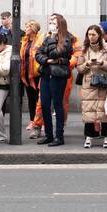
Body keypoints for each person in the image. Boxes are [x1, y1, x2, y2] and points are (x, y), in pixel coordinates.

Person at [36, 14, 76, 146]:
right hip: (46, 74)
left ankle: (59, 136)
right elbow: (38, 54)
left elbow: (56, 52)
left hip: (58, 75)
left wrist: (53, 39)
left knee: (57, 105)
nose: (51, 24)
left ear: (60, 24)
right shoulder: (48, 38)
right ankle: (49, 135)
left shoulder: (67, 38)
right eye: (50, 22)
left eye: (53, 22)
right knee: (45, 105)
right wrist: (47, 60)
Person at [77, 25, 107, 149]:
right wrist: (87, 64)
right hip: (88, 83)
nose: (91, 37)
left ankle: (106, 136)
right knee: (89, 111)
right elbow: (79, 68)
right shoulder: (84, 49)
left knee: (104, 111)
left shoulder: (106, 48)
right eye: (89, 34)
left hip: (103, 83)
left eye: (93, 34)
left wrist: (102, 63)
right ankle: (89, 136)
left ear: (99, 35)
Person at [20, 20, 42, 137]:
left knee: (39, 100)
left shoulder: (39, 40)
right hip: (27, 74)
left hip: (37, 75)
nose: (26, 28)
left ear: (33, 28)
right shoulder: (25, 41)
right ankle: (32, 120)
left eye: (28, 26)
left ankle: (40, 123)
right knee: (31, 99)